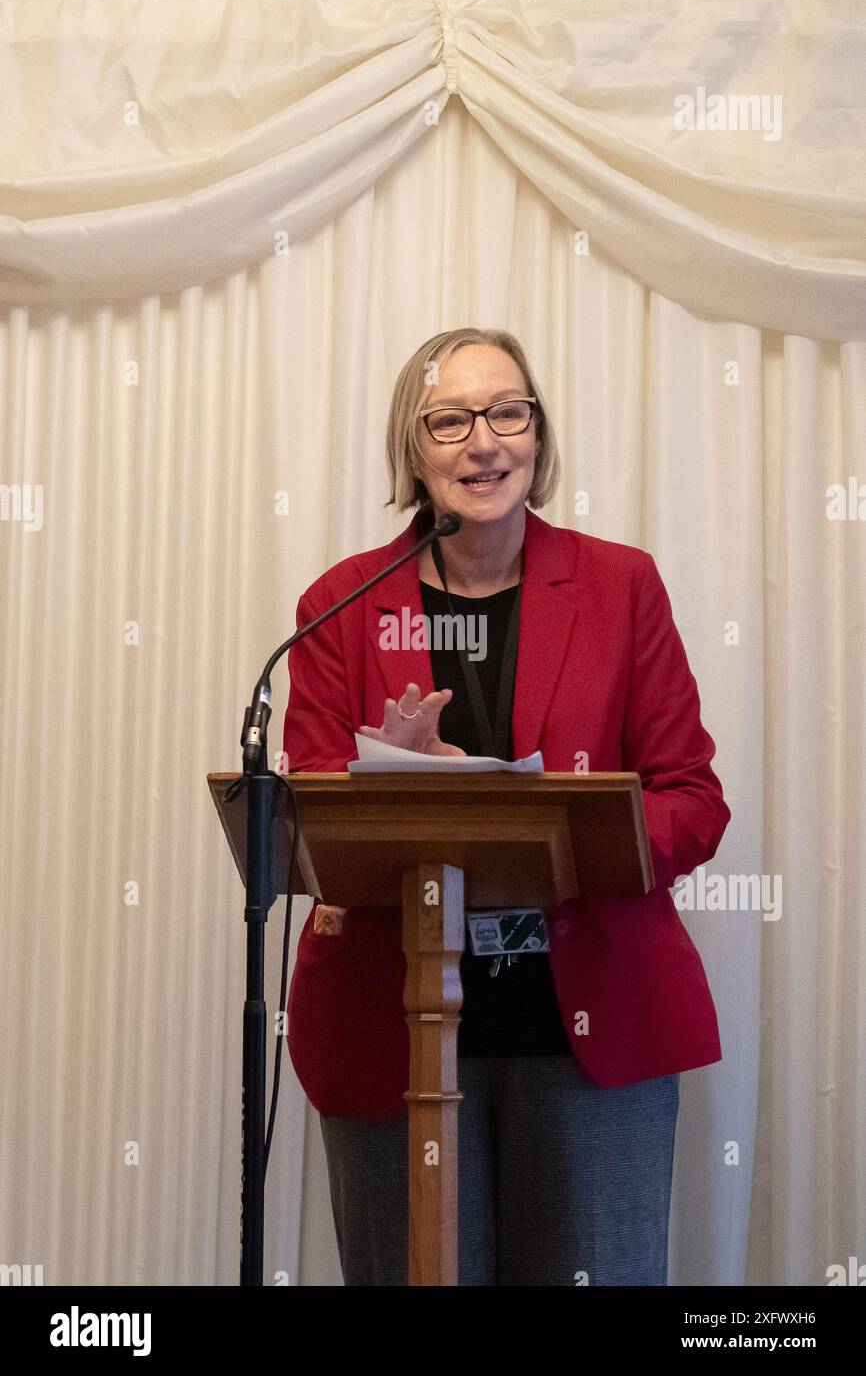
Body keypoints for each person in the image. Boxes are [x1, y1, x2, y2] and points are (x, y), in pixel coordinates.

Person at [282, 327, 730, 1286]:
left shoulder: (621, 586)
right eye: (450, 420)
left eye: (508, 412)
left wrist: (551, 845)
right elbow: (310, 820)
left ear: (538, 433)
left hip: (590, 1025)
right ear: (414, 447)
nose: (483, 442)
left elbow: (692, 800)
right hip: (390, 1025)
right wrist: (381, 787)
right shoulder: (341, 604)